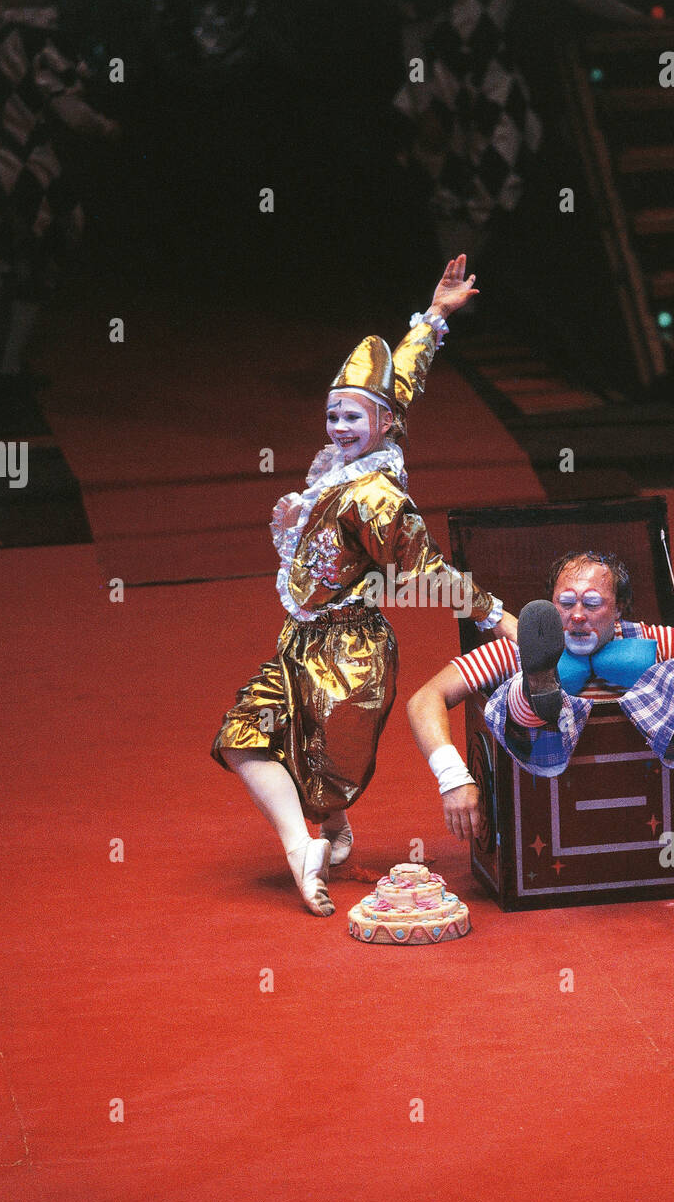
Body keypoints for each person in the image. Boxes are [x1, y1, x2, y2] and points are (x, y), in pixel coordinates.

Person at [211, 255, 516, 917]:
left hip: (350, 654)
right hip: (301, 639)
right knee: (242, 736)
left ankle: (323, 827)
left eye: (352, 418)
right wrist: (435, 315)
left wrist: (495, 616)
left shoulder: (375, 497)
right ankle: (308, 842)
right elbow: (398, 377)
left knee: (320, 769)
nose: (339, 428)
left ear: (383, 425)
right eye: (333, 416)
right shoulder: (352, 457)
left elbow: (424, 572)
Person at [407, 549, 674, 843]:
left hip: (655, 799)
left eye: (591, 603)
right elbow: (424, 699)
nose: (576, 615)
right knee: (514, 699)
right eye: (565, 603)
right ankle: (536, 689)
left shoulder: (654, 639)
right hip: (543, 759)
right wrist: (454, 778)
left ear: (619, 609)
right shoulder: (522, 645)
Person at [0, 0, 120, 403]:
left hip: (12, 162)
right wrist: (107, 127)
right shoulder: (29, 36)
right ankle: (3, 370)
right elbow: (67, 107)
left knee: (14, 256)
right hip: (16, 164)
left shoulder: (8, 30)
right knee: (14, 258)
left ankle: (5, 368)